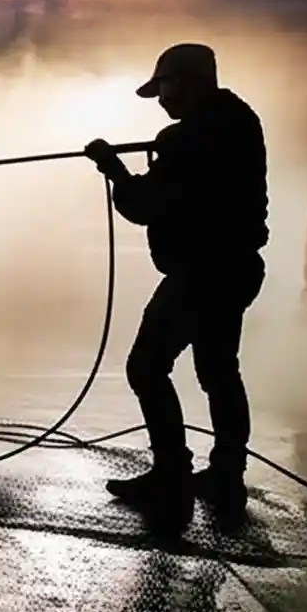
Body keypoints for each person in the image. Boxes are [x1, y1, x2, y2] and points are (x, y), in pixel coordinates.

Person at [85, 43, 269, 529]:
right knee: (218, 371)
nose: (160, 98)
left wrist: (114, 169)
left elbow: (145, 206)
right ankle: (227, 474)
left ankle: (171, 472)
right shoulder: (237, 120)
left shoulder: (189, 137)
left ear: (187, 81)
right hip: (237, 269)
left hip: (204, 272)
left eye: (164, 87)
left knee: (146, 366)